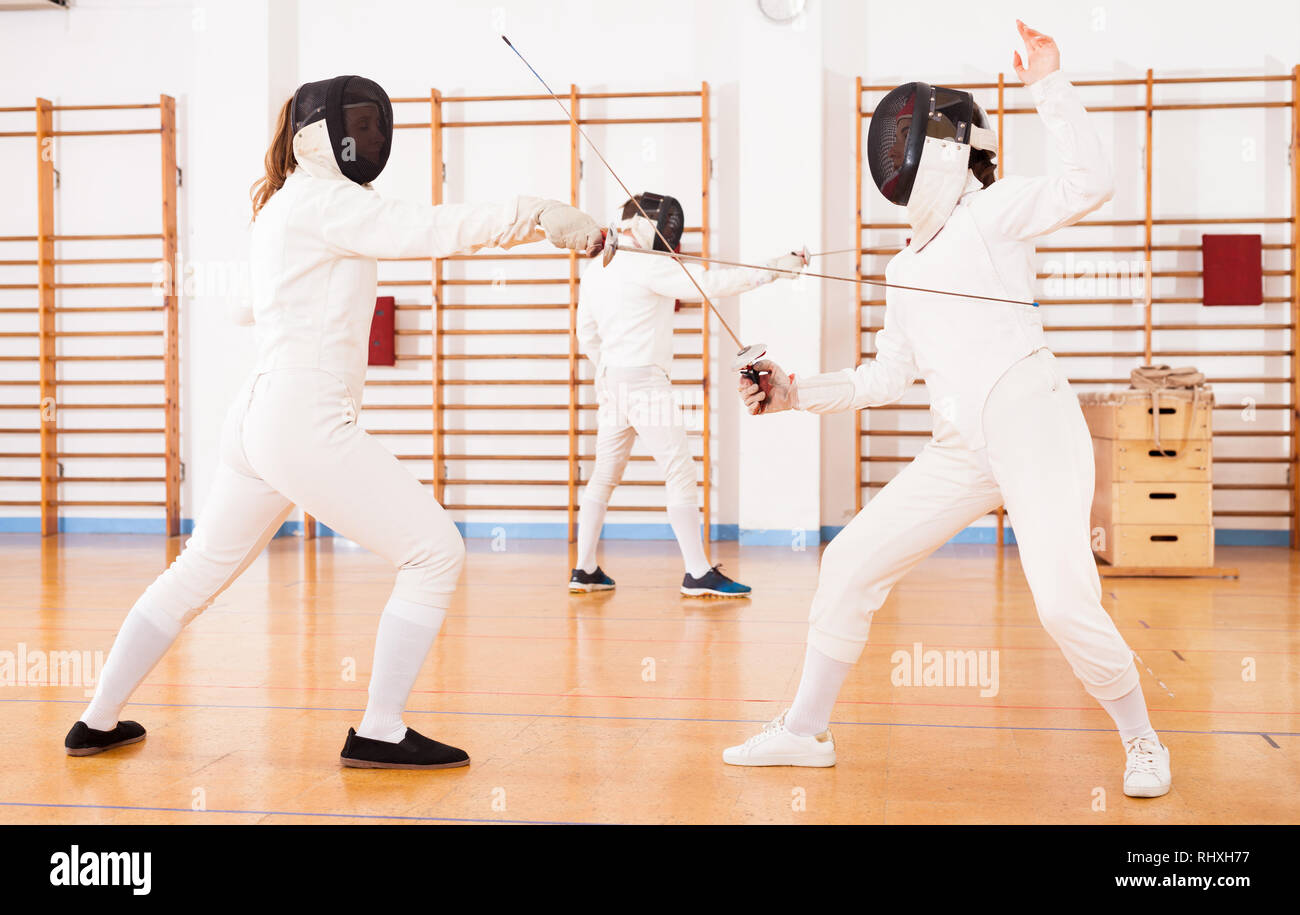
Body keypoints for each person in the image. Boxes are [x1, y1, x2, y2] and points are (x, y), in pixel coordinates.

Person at [64, 75, 605, 770]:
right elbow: (432, 230)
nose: (372, 136)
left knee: (197, 569)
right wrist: (535, 214)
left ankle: (97, 718)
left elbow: (252, 305)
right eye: (360, 123)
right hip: (302, 420)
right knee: (435, 551)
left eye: (377, 124)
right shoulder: (326, 203)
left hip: (259, 418)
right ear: (318, 135)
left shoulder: (289, 206)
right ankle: (379, 729)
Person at [725, 23, 1172, 799]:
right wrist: (797, 392)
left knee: (1064, 602)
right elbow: (883, 377)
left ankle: (1141, 737)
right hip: (962, 444)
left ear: (942, 148)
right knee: (849, 560)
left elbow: (1087, 185)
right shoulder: (902, 269)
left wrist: (1050, 84)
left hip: (1032, 417)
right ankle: (803, 730)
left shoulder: (991, 213)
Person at [571, 192, 805, 598]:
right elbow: (708, 283)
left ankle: (584, 568)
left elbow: (585, 334)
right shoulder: (645, 264)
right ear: (647, 225)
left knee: (604, 475)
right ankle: (697, 573)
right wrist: (773, 270)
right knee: (679, 470)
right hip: (643, 381)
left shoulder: (595, 271)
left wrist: (611, 368)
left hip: (610, 380)